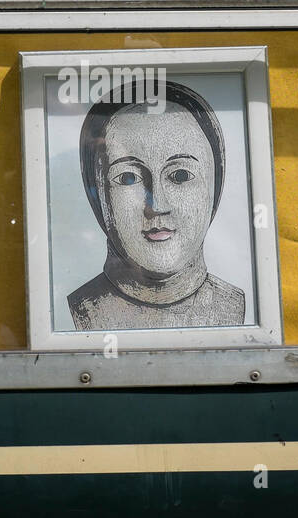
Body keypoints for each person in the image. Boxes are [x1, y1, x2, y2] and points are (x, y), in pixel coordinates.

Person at [67, 79, 247, 330]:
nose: (157, 205)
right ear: (96, 193)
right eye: (128, 178)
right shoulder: (79, 309)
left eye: (181, 175)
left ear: (215, 187)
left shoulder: (236, 306)